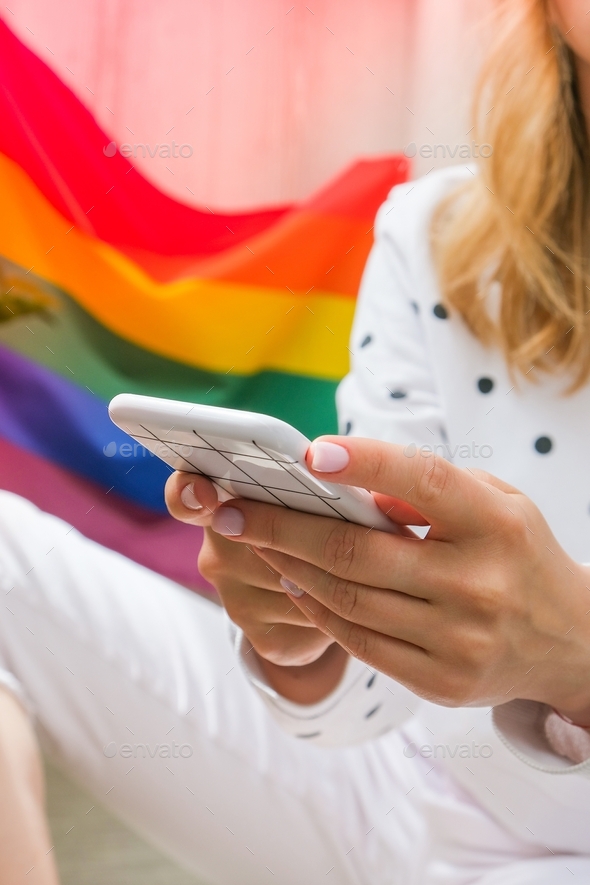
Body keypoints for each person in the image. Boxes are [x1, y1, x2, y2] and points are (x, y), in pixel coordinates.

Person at [2, 0, 590, 882]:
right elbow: (370, 704)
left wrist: (574, 656)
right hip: (396, 797)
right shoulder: (434, 237)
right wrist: (307, 638)